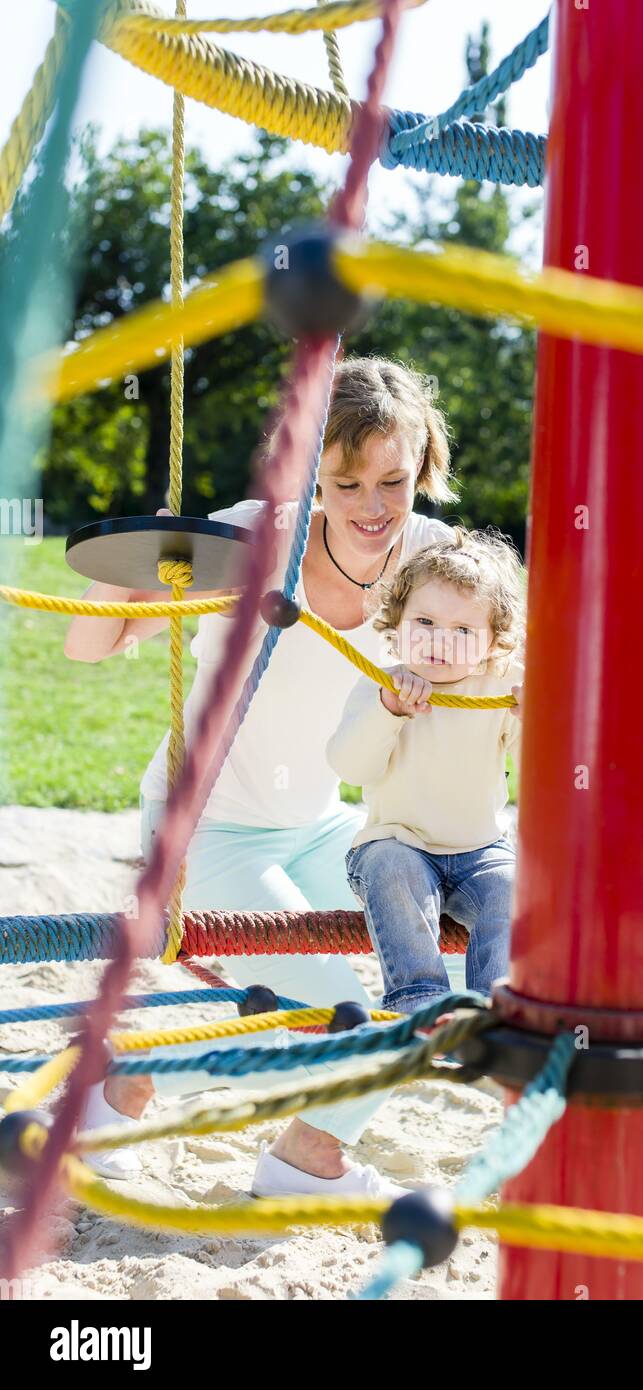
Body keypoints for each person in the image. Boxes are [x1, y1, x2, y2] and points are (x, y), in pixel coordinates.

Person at [64, 357, 461, 1198]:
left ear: (424, 466)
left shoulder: (430, 555)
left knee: (437, 992)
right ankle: (185, 1115)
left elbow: (525, 650)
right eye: (346, 484)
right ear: (312, 472)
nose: (373, 508)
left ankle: (230, 1128)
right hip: (206, 828)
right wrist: (148, 553)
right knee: (338, 1023)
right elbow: (88, 645)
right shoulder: (252, 539)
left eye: (394, 481)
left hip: (321, 828)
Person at [327, 527, 524, 1014]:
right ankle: (420, 998)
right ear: (397, 623)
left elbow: (543, 780)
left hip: (482, 849)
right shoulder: (383, 683)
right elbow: (350, 767)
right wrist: (387, 710)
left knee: (514, 889)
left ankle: (492, 1008)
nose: (441, 642)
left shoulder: (502, 687)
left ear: (494, 642)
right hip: (397, 842)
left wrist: (536, 719)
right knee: (392, 869)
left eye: (463, 631)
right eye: (426, 621)